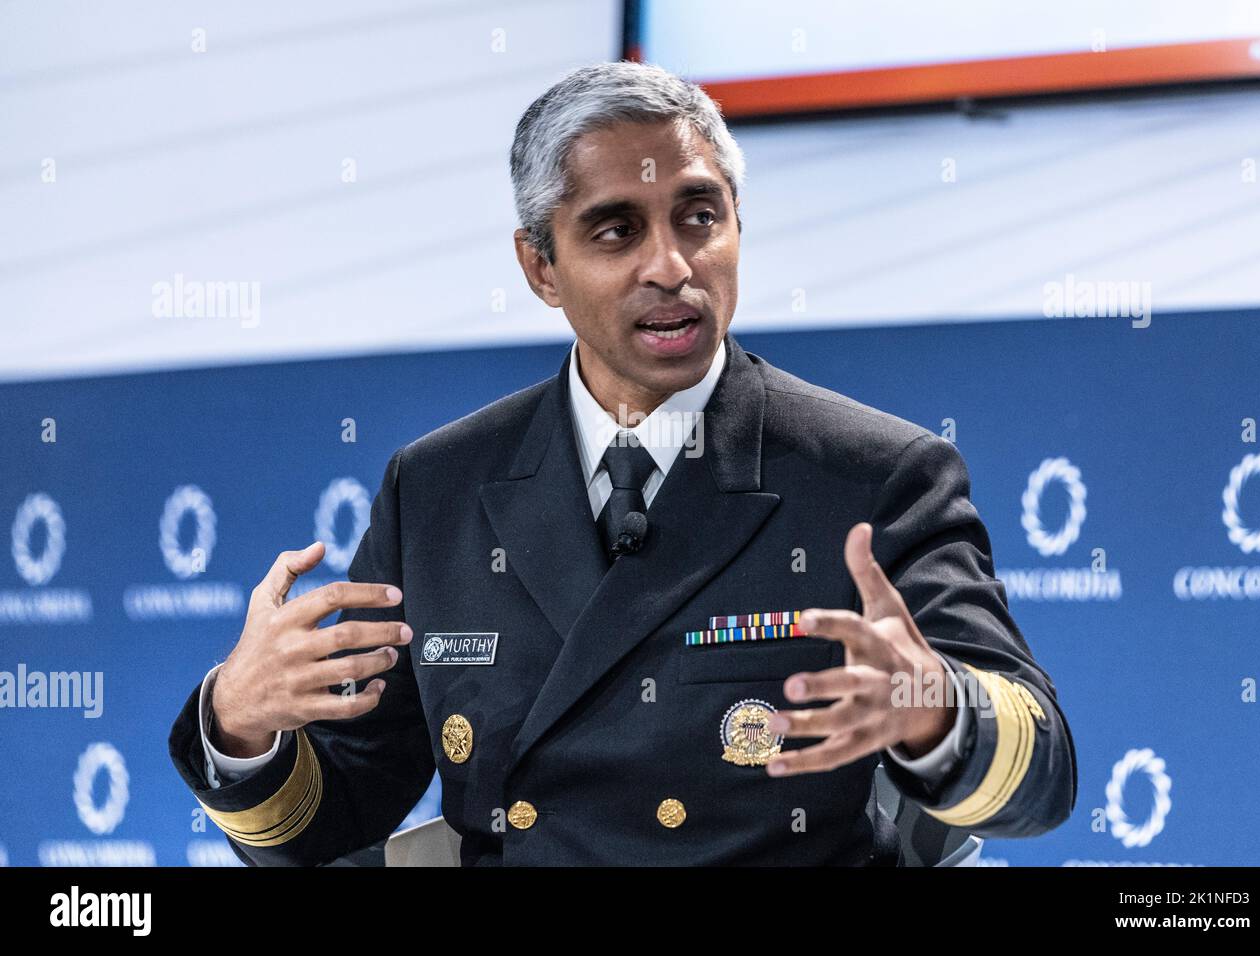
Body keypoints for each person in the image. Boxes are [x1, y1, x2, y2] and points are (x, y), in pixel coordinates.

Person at [168, 60, 1076, 866]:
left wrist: (938, 712)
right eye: (616, 231)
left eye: (698, 217)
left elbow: (1045, 778)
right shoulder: (437, 490)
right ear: (540, 268)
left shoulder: (875, 475)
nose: (672, 266)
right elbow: (338, 818)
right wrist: (239, 725)